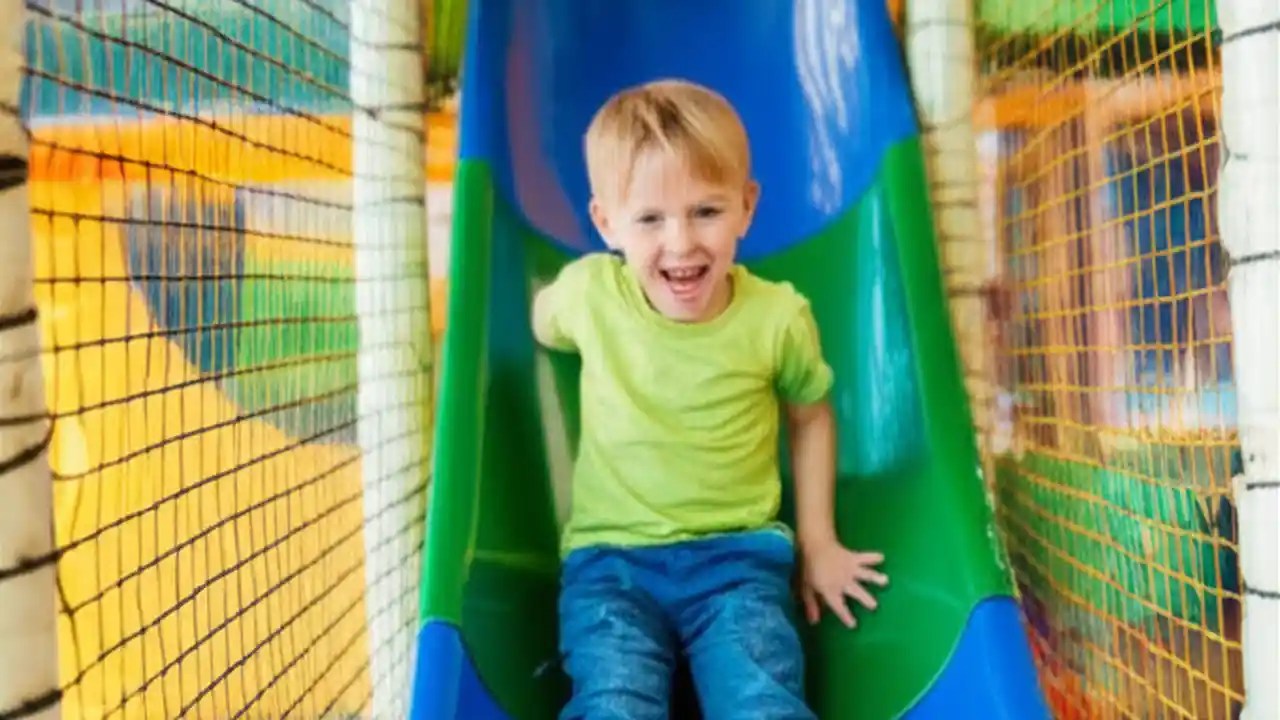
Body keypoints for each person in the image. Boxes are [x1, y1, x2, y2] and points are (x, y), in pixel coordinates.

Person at [532, 78, 888, 720]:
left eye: (706, 210)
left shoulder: (776, 319)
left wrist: (818, 541)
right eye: (649, 219)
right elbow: (541, 319)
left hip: (738, 565)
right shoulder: (590, 297)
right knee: (614, 705)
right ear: (606, 224)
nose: (681, 242)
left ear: (746, 207)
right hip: (610, 567)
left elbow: (810, 417)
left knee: (764, 703)